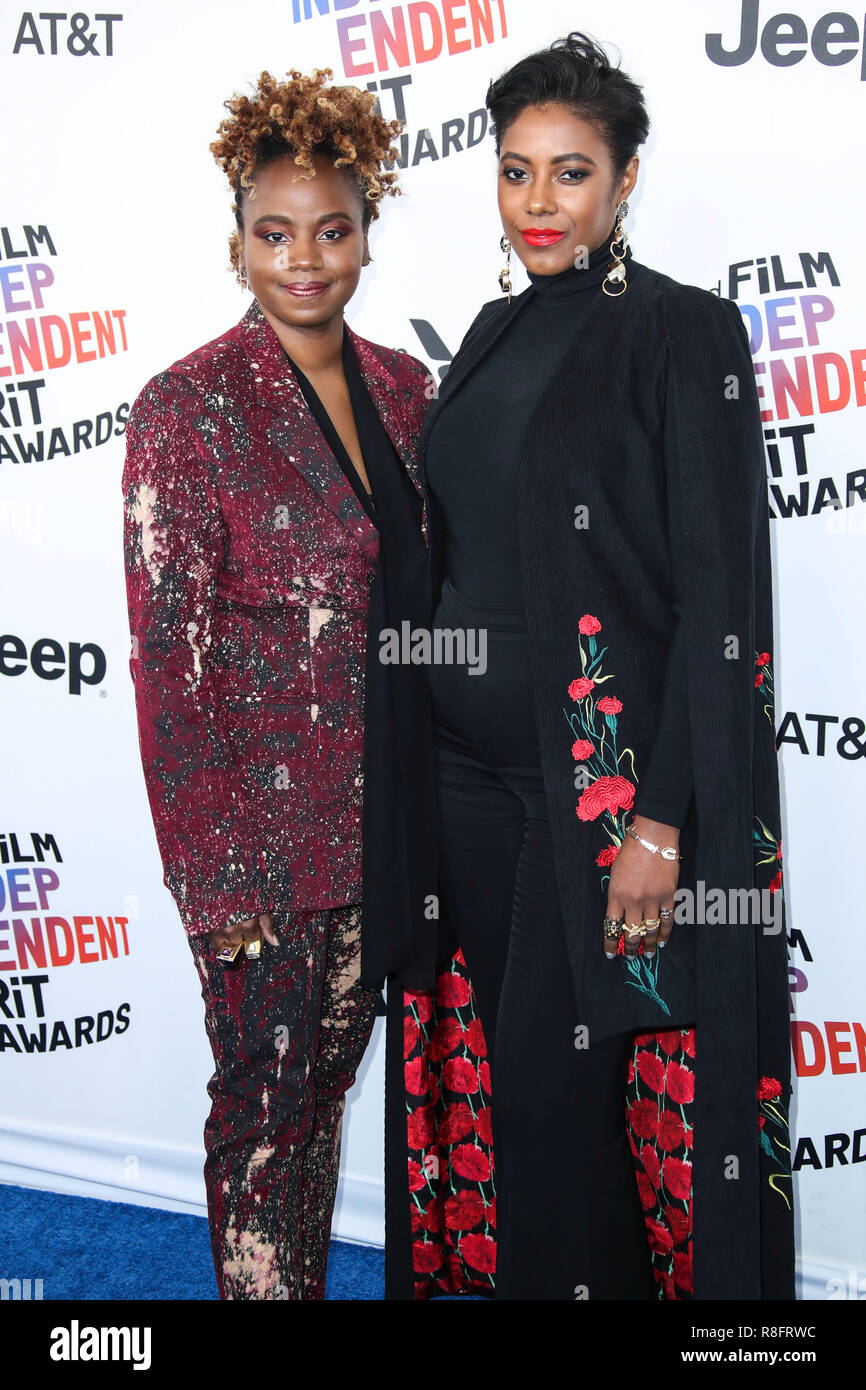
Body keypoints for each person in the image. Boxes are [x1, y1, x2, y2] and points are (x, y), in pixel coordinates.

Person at [383, 32, 794, 1301]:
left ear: (624, 180)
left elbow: (722, 602)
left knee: (561, 1106)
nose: (539, 203)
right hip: (457, 783)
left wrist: (662, 821)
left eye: (570, 172)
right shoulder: (495, 332)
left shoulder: (685, 332)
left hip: (597, 806)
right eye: (515, 173)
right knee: (503, 1099)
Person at [122, 66, 438, 1299]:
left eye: (332, 228)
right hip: (260, 847)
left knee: (324, 1105)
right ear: (236, 240)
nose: (303, 258)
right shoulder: (185, 408)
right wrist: (215, 872)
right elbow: (166, 659)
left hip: (391, 828)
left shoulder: (409, 394)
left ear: (365, 231)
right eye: (273, 231)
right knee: (263, 1114)